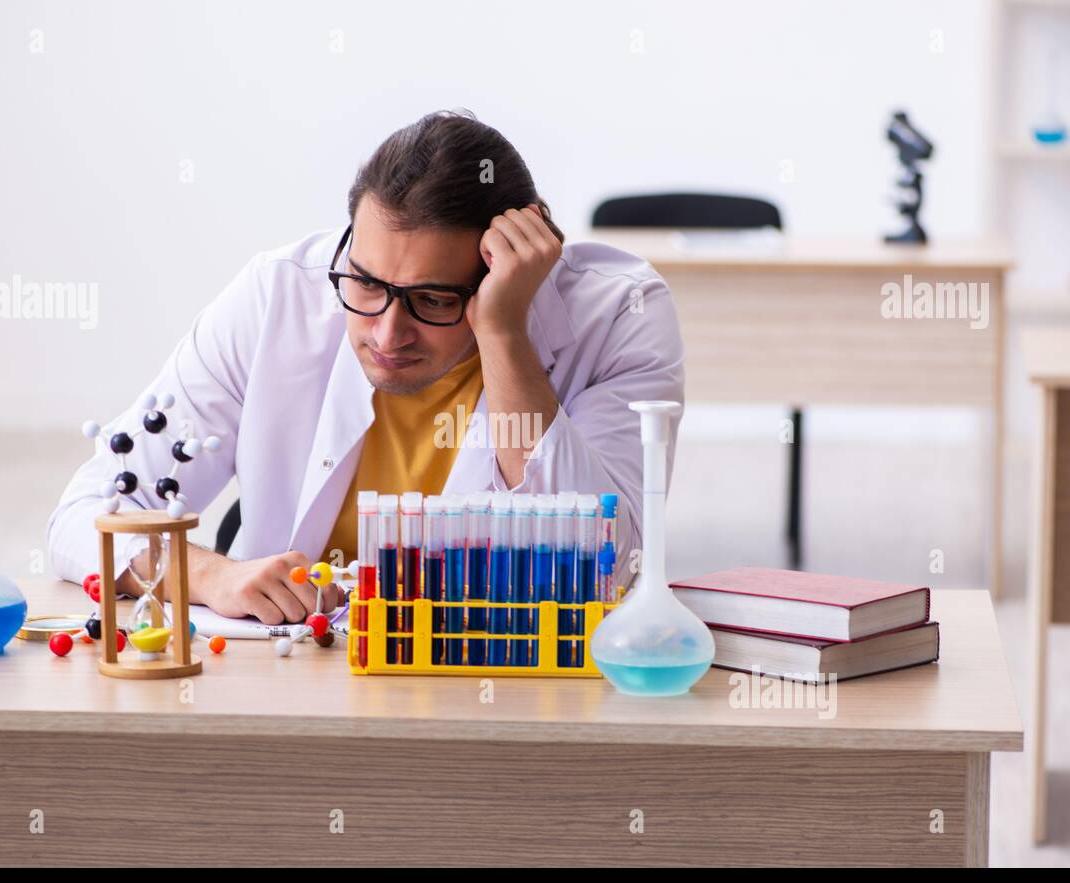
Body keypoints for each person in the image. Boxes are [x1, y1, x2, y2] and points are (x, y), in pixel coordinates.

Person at [48, 110, 685, 624]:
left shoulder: (617, 313)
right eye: (366, 282)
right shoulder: (279, 295)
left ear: (503, 269)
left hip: (495, 683)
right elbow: (81, 519)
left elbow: (606, 568)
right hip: (295, 677)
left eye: (434, 299)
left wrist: (503, 331)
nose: (386, 333)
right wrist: (215, 575)